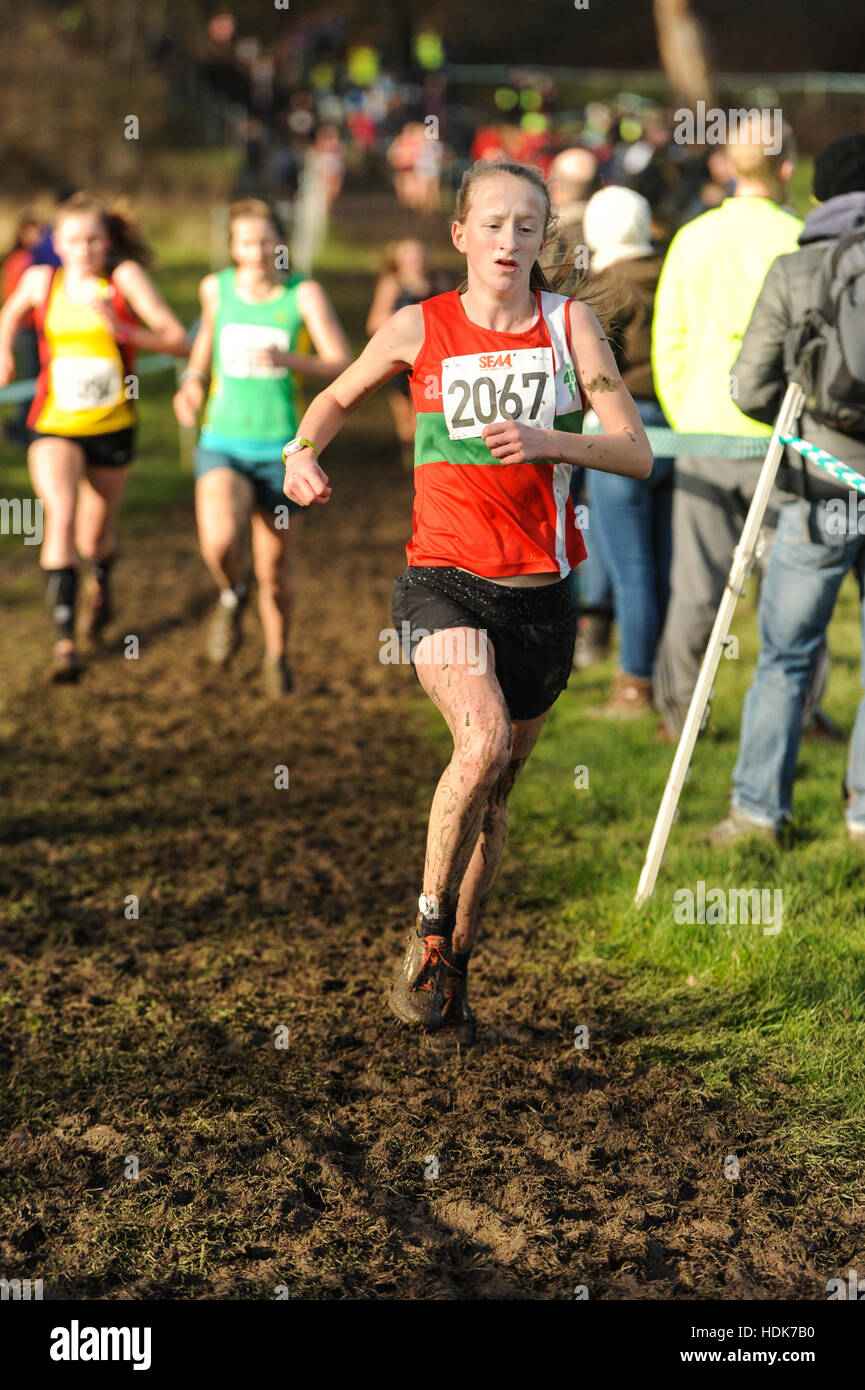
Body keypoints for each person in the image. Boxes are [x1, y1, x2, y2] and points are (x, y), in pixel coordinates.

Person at [281, 158, 652, 1044]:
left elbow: (633, 451)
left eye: (526, 226)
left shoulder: (570, 327)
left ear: (541, 238)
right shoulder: (419, 325)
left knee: (496, 791)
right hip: (442, 580)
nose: (508, 240)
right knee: (479, 741)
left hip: (542, 595)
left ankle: (454, 966)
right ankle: (426, 926)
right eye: (491, 224)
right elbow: (335, 395)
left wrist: (547, 440)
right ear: (460, 235)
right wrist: (300, 453)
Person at [710, 134, 865, 844]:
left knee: (784, 655)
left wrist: (806, 423)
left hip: (818, 485)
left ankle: (757, 813)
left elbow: (748, 386)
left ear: (817, 195)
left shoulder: (794, 268)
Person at [651, 119, 808, 740]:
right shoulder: (800, 238)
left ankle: (679, 714)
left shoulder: (693, 237)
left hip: (702, 435)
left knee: (696, 582)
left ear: (727, 167)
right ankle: (799, 714)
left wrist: (688, 416)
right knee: (793, 585)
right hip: (782, 436)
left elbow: (669, 337)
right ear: (787, 168)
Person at [0, 192, 188, 682]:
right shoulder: (41, 280)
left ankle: (100, 582)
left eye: (93, 240)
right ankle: (65, 645)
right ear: (57, 243)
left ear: (108, 242)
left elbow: (177, 340)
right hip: (54, 425)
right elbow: (9, 314)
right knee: (60, 515)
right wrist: (5, 354)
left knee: (94, 537)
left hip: (112, 428)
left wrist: (122, 328)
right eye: (73, 240)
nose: (83, 249)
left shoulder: (124, 280)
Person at [173, 198, 351, 697]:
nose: (255, 252)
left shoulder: (303, 294)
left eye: (265, 240)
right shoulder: (216, 288)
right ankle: (232, 594)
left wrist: (288, 358)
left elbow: (342, 363)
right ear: (232, 245)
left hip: (281, 451)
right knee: (221, 542)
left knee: (274, 570)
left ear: (280, 242)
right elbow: (204, 344)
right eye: (245, 242)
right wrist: (191, 380)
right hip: (222, 441)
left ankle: (278, 657)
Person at [582, 185, 673, 715]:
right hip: (679, 430)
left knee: (630, 567)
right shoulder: (673, 273)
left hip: (619, 433)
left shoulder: (604, 289)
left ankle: (635, 684)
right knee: (667, 564)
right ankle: (674, 679)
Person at [365, 239, 448, 466]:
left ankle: (428, 457)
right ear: (398, 260)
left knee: (428, 412)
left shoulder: (438, 281)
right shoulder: (393, 284)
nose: (415, 261)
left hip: (432, 357)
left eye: (419, 255)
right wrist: (407, 323)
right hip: (402, 358)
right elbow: (374, 322)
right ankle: (409, 456)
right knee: (405, 416)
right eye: (409, 256)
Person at [1, 214, 41, 445]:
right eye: (33, 231)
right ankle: (22, 429)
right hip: (27, 329)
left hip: (30, 328)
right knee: (30, 378)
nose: (37, 237)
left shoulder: (24, 258)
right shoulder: (23, 260)